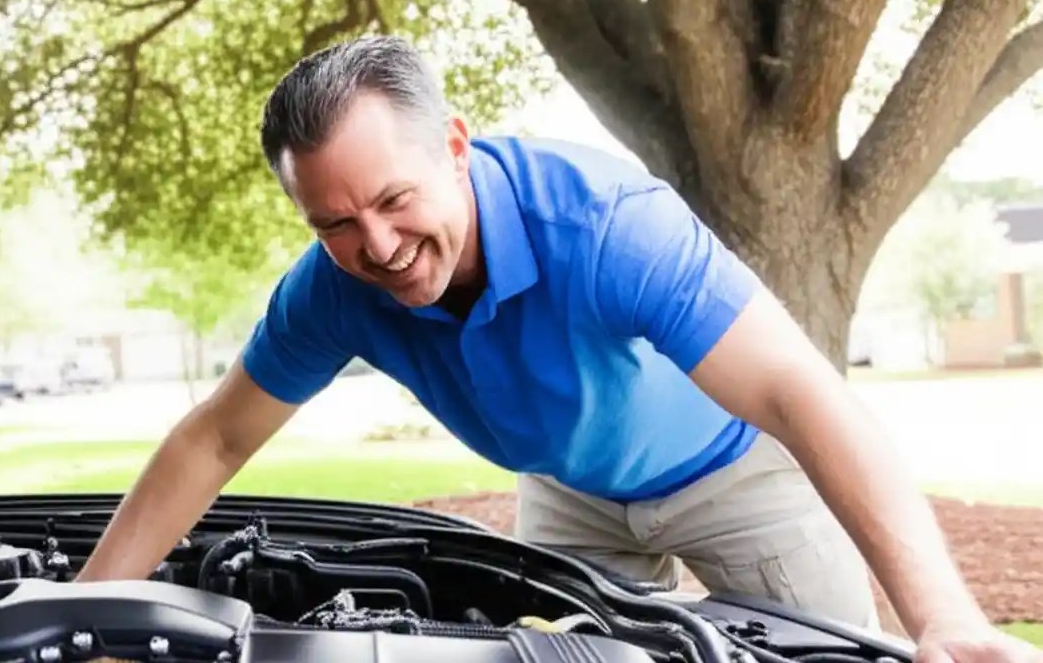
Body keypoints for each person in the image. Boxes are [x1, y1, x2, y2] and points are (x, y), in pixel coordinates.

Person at [77, 35, 1038, 663]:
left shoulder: (607, 225)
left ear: (454, 144)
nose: (375, 245)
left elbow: (799, 393)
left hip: (733, 473)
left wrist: (941, 615)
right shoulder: (331, 290)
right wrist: (84, 607)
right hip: (571, 490)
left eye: (394, 199)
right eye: (334, 220)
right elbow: (213, 441)